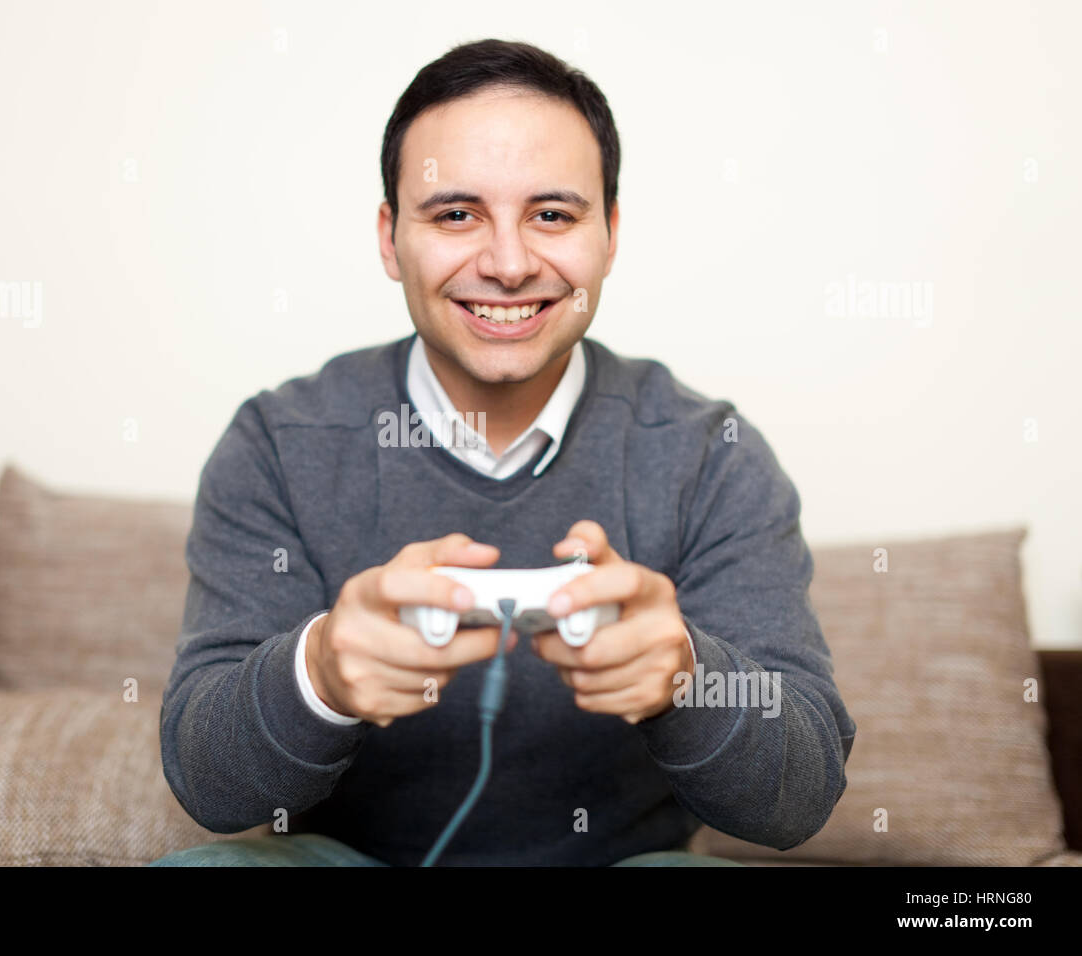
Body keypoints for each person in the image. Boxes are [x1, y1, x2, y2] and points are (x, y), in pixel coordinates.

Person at [152, 38, 855, 867]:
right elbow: (208, 784)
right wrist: (319, 674)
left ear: (610, 235)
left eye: (552, 215)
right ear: (390, 238)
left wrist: (687, 677)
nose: (510, 264)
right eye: (456, 214)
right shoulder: (278, 443)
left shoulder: (710, 456)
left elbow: (801, 799)